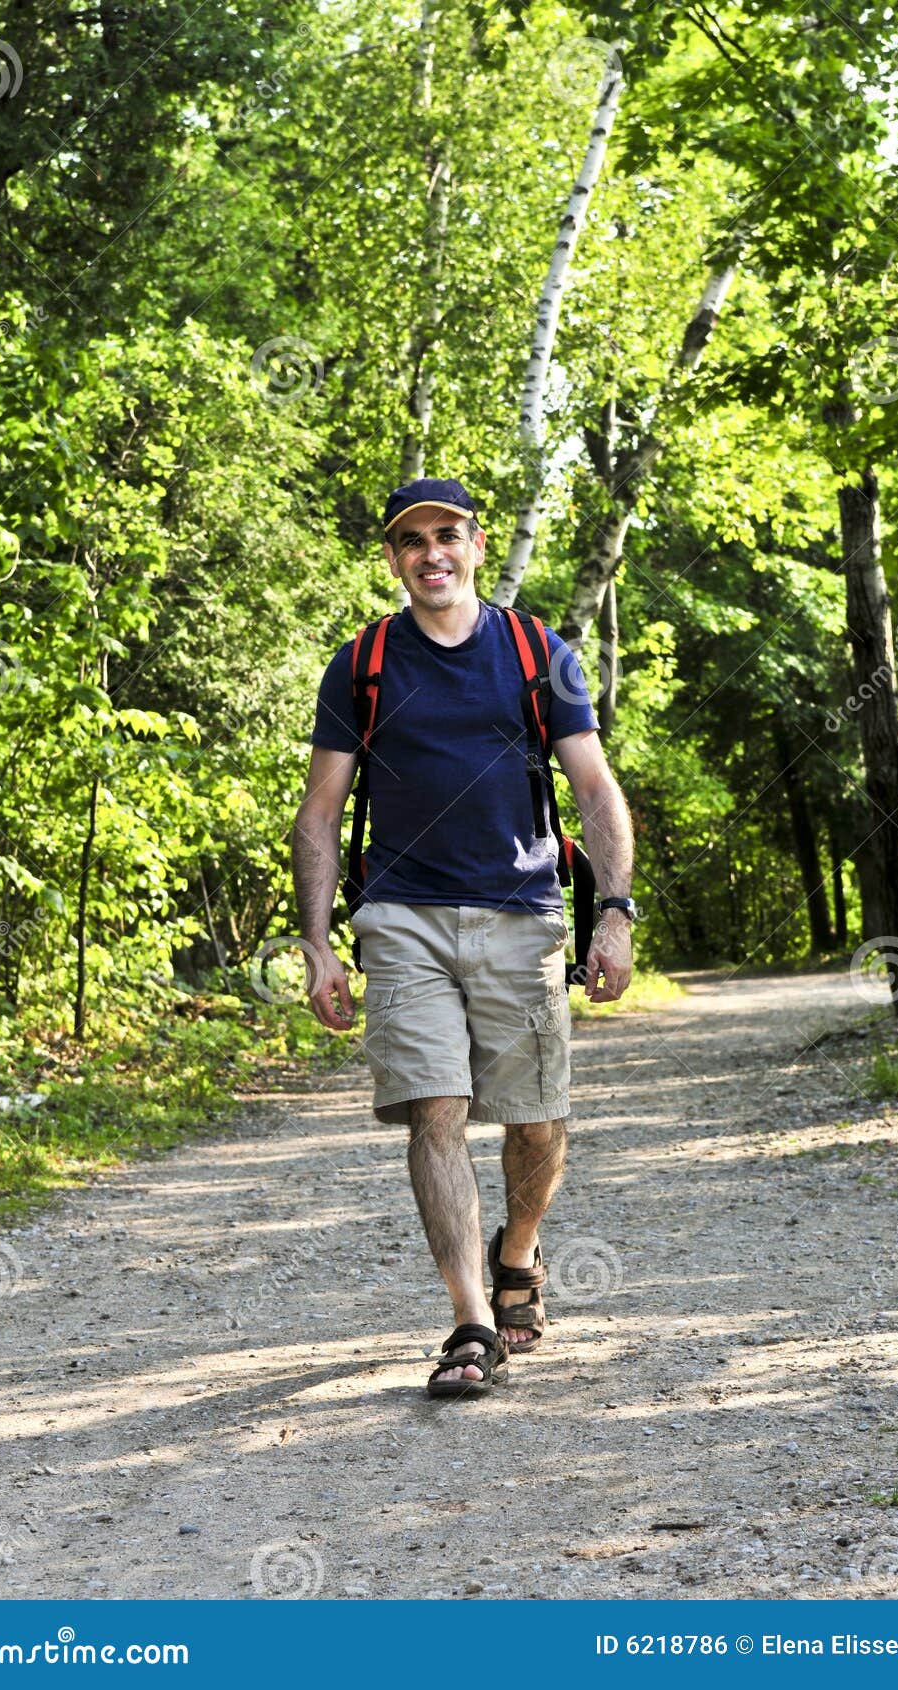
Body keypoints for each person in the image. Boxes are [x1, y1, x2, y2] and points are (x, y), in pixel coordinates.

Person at [292, 476, 635, 1398]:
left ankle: (517, 1251)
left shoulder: (539, 653)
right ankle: (471, 1322)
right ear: (394, 559)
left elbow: (595, 791)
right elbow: (320, 813)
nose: (431, 553)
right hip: (400, 918)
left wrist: (612, 911)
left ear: (476, 545)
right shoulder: (361, 664)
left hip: (523, 914)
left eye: (447, 535)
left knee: (536, 1117)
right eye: (412, 541)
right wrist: (319, 941)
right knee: (435, 1111)